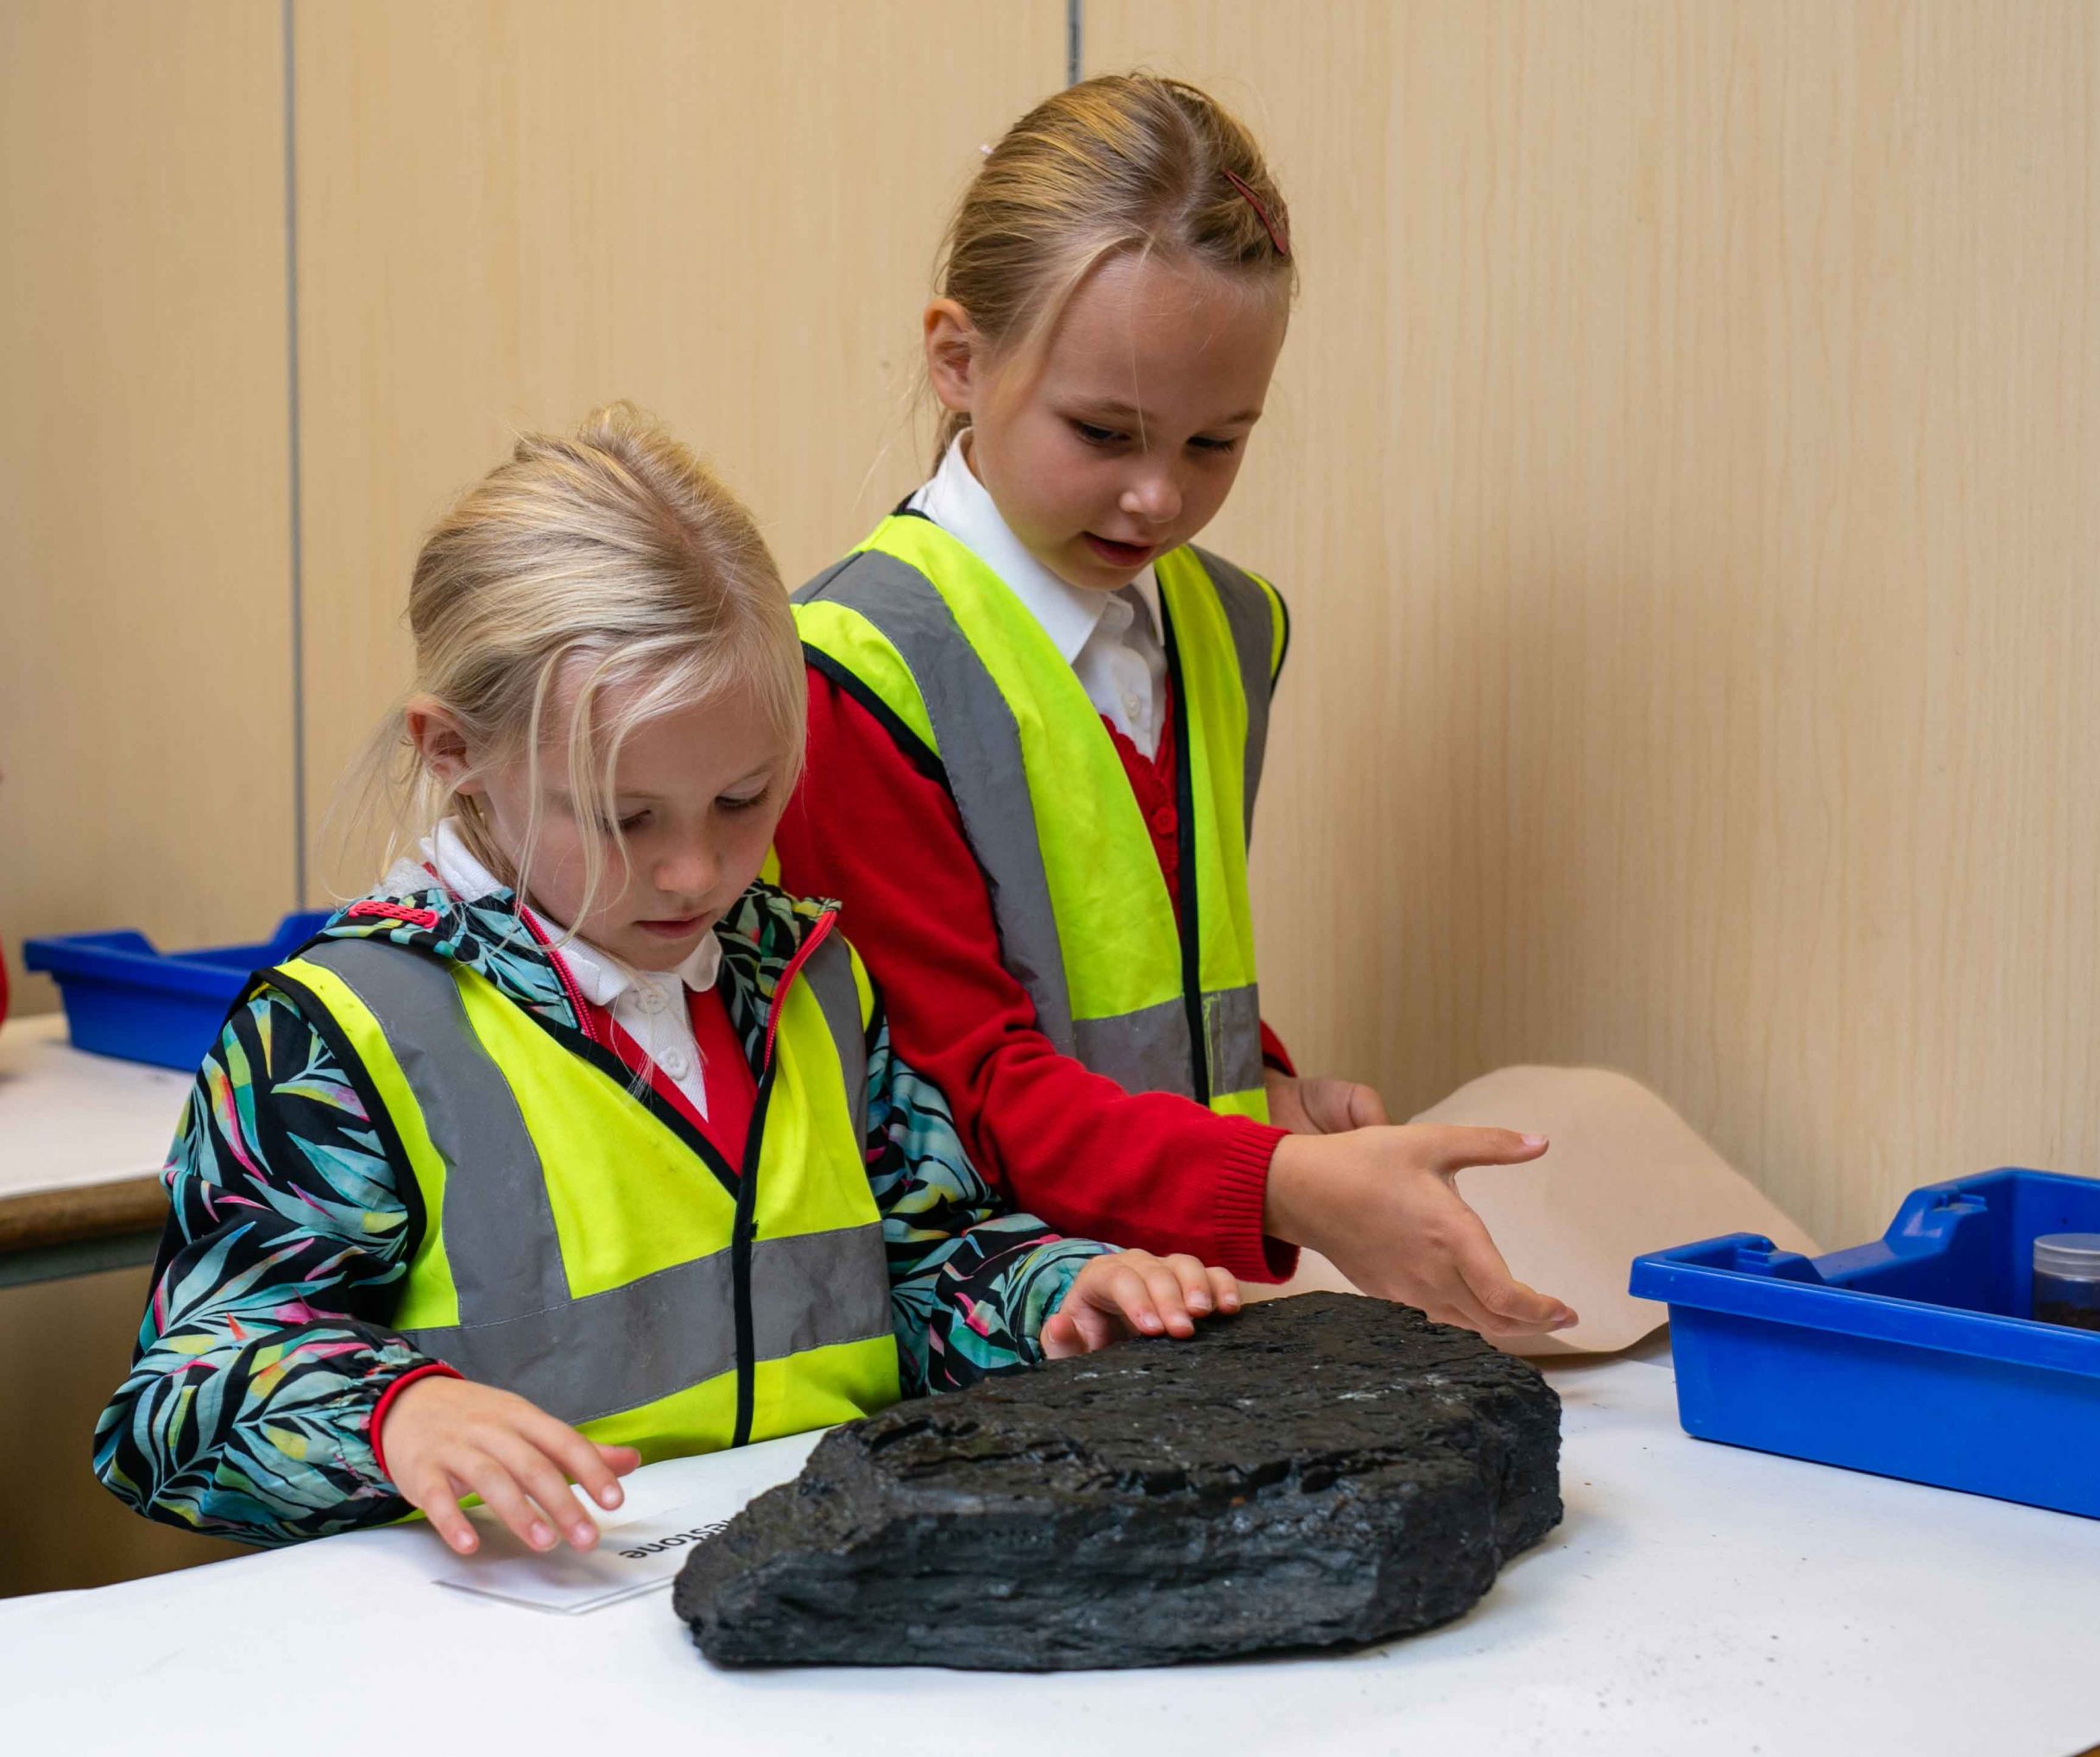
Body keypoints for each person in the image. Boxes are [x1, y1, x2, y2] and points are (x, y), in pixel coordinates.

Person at [93, 406, 1235, 1556]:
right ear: (455, 755)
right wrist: (395, 1415)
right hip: (499, 1648)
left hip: (798, 1603)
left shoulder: (816, 983)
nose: (698, 870)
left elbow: (927, 1264)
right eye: (622, 817)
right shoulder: (343, 1035)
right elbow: (180, 1413)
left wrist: (1054, 1300)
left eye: (744, 801)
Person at [775, 75, 1576, 1338]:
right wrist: (1285, 1185)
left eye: (1218, 444)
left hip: (1175, 1305)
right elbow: (962, 1085)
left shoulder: (1227, 623)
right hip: (975, 1325)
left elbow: (1131, 951)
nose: (1158, 500)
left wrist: (1263, 1092)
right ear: (959, 360)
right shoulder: (849, 670)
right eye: (1105, 432)